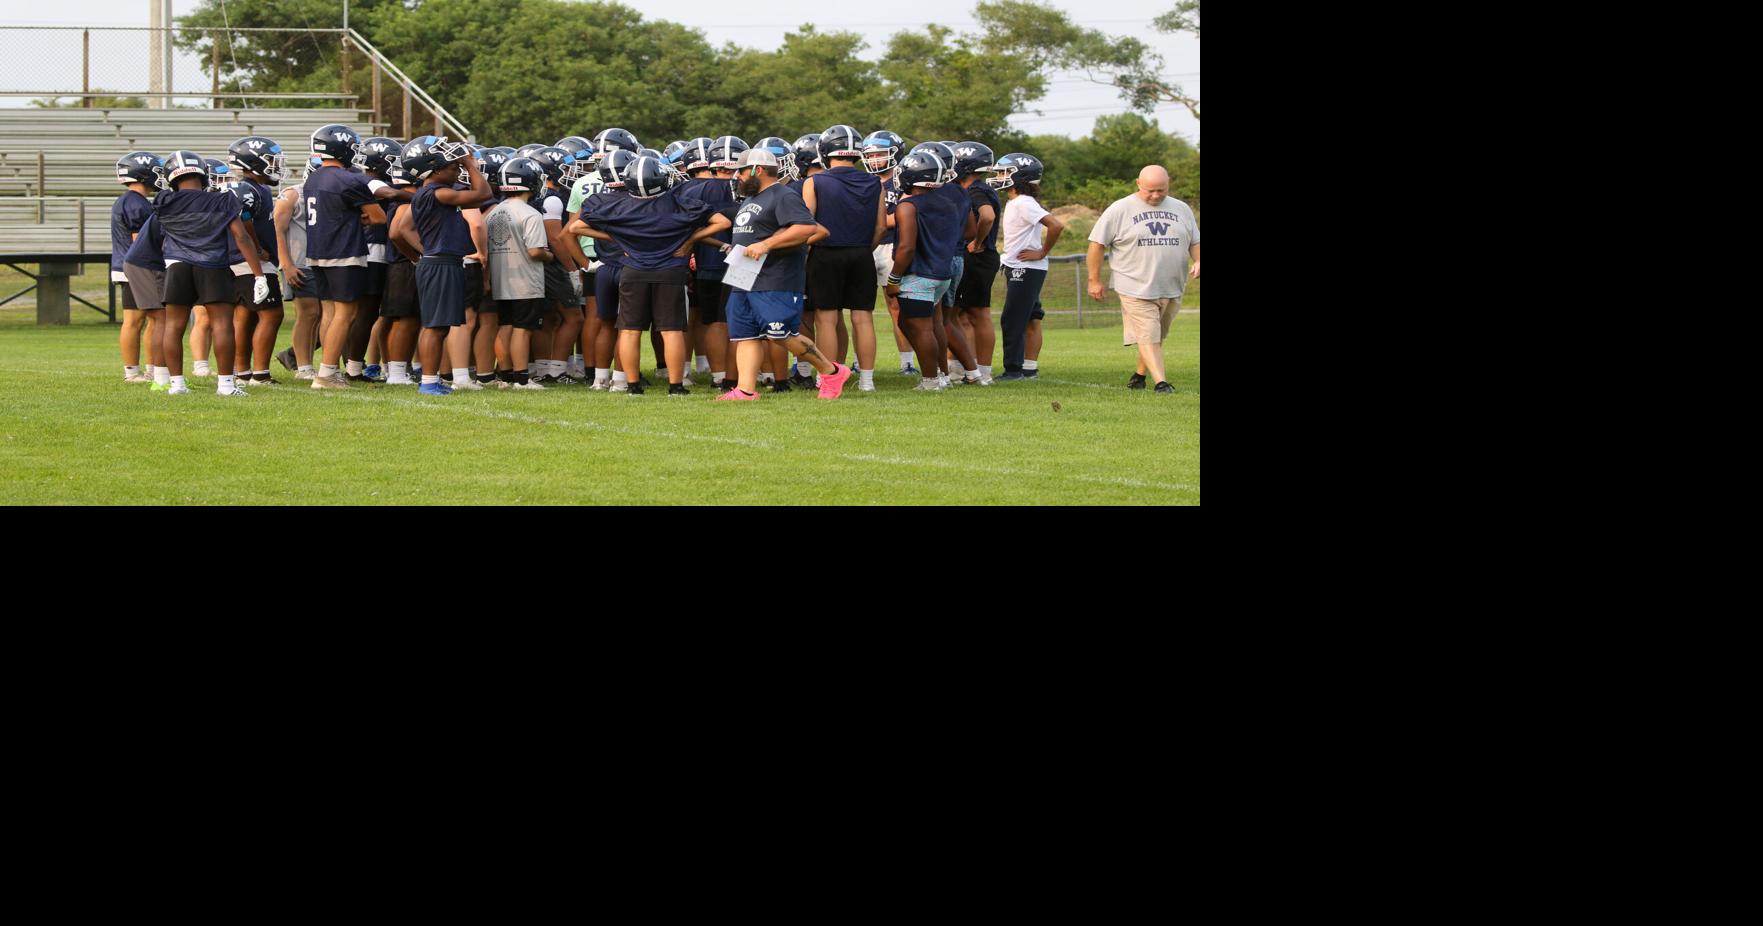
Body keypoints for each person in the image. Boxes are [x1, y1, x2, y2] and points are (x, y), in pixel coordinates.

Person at [570, 156, 729, 396]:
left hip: (633, 269)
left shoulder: (616, 206)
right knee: (671, 330)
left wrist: (616, 238)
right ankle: (675, 386)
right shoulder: (679, 203)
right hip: (670, 270)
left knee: (630, 330)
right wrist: (690, 240)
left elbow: (575, 228)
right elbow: (722, 221)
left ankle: (632, 385)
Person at [716, 148, 849, 401]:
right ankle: (745, 390)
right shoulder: (750, 199)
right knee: (746, 334)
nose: (738, 178)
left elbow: (808, 227)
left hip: (775, 278)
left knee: (781, 334)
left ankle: (831, 372)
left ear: (756, 170)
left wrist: (767, 244)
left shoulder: (783, 195)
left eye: (741, 172)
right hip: (742, 275)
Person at [150, 150, 268, 397]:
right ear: (202, 174)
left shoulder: (163, 201)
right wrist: (259, 274)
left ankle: (177, 385)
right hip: (213, 265)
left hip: (177, 266)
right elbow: (242, 237)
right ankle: (226, 385)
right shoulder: (221, 200)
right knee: (222, 324)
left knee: (173, 325)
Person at [1086, 165, 1200, 394]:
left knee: (1156, 336)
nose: (1156, 195)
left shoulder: (1182, 209)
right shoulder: (1119, 209)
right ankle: (1161, 383)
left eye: (1162, 190)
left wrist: (1198, 260)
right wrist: (1094, 280)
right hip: (1133, 285)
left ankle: (1139, 376)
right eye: (1150, 190)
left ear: (1168, 184)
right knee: (1148, 333)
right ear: (1138, 183)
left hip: (1172, 285)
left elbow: (1194, 241)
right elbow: (1097, 245)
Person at [393, 135, 490, 396]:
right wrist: (471, 165)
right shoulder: (439, 192)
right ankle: (427, 381)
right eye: (452, 166)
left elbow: (403, 228)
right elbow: (483, 194)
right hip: (441, 265)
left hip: (438, 262)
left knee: (438, 325)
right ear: (434, 169)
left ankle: (429, 379)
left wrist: (424, 252)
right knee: (435, 327)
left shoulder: (424, 193)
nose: (457, 169)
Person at [302, 124, 388, 390]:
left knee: (329, 312)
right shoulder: (348, 179)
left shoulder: (313, 178)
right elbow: (378, 216)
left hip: (317, 250)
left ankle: (328, 370)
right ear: (342, 149)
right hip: (343, 251)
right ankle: (327, 374)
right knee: (346, 313)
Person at [802, 124, 887, 393]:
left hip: (826, 253)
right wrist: (864, 248)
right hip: (862, 253)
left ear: (825, 151)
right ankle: (867, 381)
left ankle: (826, 378)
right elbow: (881, 227)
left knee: (826, 319)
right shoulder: (874, 182)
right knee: (863, 318)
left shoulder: (815, 181)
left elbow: (807, 224)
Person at [884, 151, 971, 392]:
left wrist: (894, 278)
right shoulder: (949, 202)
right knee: (926, 324)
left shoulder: (908, 205)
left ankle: (931, 380)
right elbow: (968, 231)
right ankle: (941, 374)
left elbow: (906, 248)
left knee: (919, 326)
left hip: (918, 274)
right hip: (942, 273)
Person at [988, 154, 1064, 382]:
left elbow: (1056, 225)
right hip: (1021, 266)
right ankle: (1029, 369)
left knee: (1012, 319)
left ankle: (1013, 370)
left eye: (1004, 172)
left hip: (1026, 268)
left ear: (1019, 176)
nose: (999, 177)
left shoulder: (1024, 202)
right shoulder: (1017, 202)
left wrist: (1041, 252)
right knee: (1032, 317)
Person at [484, 157, 554, 389]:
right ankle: (522, 379)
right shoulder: (530, 214)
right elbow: (535, 252)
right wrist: (549, 255)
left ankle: (506, 375)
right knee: (522, 330)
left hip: (500, 278)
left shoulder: (494, 211)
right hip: (525, 280)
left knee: (505, 326)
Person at [224, 136, 286, 386]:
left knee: (245, 316)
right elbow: (243, 221)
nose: (275, 165)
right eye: (270, 161)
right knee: (272, 315)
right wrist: (258, 248)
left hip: (240, 261)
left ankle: (242, 372)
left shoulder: (254, 188)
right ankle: (259, 373)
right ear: (252, 162)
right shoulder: (246, 189)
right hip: (250, 262)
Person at [951, 142, 1001, 383]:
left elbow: (987, 216)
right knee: (963, 314)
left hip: (979, 256)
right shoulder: (978, 188)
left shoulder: (975, 190)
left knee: (978, 313)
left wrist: (977, 241)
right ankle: (967, 368)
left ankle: (983, 371)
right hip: (981, 256)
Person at [111, 151, 161, 383]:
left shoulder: (132, 200)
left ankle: (150, 369)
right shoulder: (135, 203)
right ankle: (135, 371)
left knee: (148, 319)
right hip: (136, 267)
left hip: (128, 265)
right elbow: (139, 239)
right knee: (140, 319)